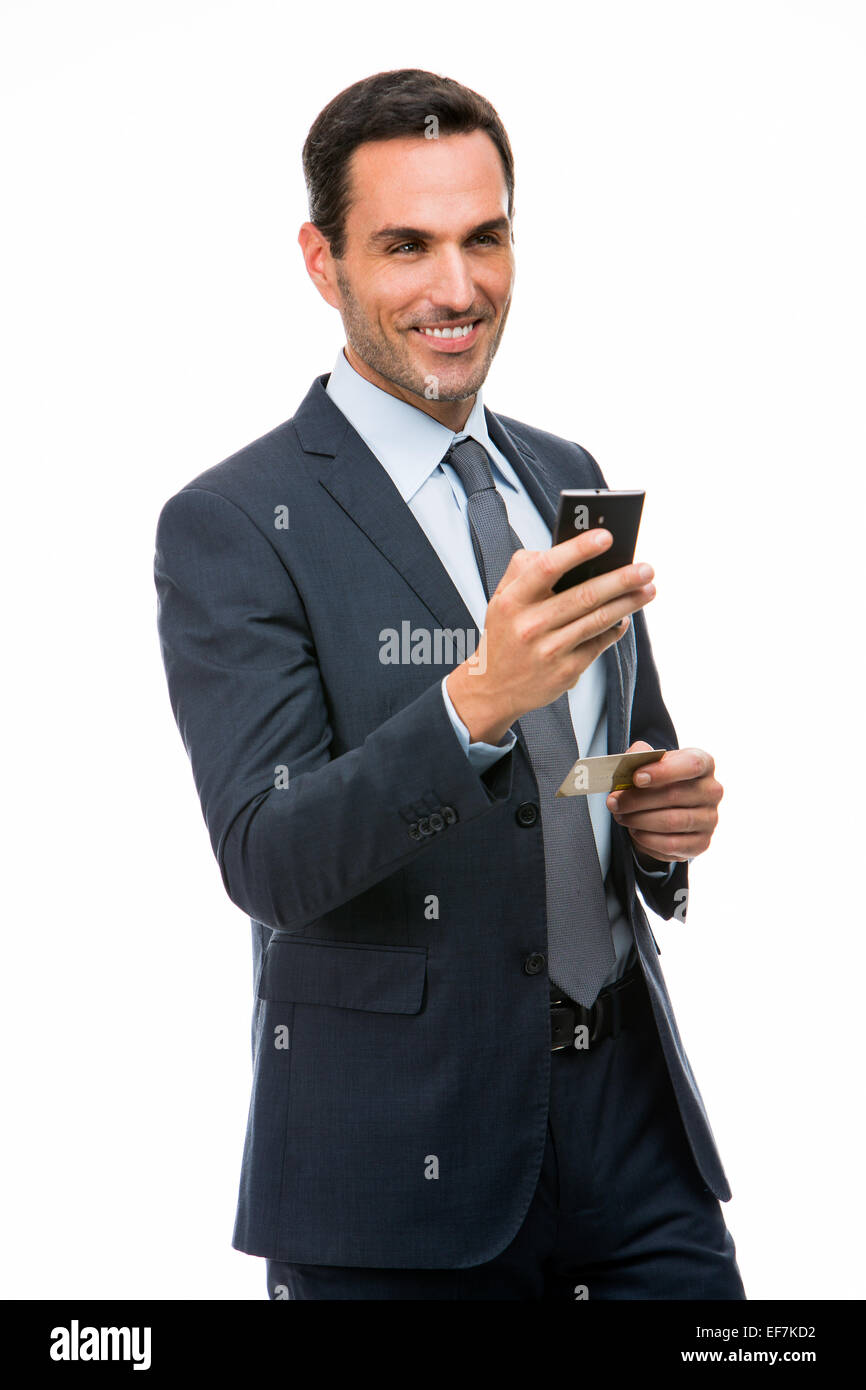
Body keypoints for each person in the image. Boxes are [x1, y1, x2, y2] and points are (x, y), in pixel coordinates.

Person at [154, 68, 745, 1301]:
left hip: (632, 1141)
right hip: (393, 1171)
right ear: (323, 262)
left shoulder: (560, 472)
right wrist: (473, 700)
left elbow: (609, 761)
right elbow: (268, 857)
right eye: (405, 246)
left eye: (484, 238)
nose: (455, 288)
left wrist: (657, 827)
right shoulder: (231, 522)